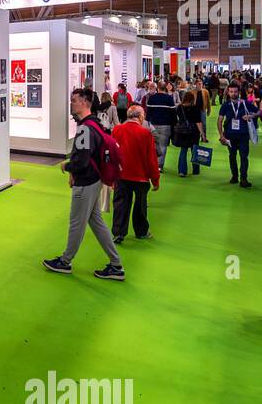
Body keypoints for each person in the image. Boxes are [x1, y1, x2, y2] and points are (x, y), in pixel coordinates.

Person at [43, 88, 124, 280]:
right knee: (96, 222)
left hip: (86, 182)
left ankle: (65, 261)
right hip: (93, 180)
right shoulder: (94, 124)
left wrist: (67, 166)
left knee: (76, 223)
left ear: (85, 103)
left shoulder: (85, 128)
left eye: (74, 100)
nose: (72, 103)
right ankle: (116, 264)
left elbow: (81, 160)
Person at [111, 105, 160, 243]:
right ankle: (141, 231)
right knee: (140, 205)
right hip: (141, 177)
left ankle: (118, 233)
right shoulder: (145, 134)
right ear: (140, 117)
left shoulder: (117, 130)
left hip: (121, 175)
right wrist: (155, 180)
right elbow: (151, 159)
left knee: (120, 205)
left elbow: (112, 154)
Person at [218, 84, 253, 188]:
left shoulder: (245, 103)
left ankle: (244, 179)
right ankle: (234, 176)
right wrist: (221, 135)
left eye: (235, 92)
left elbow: (259, 112)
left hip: (243, 135)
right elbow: (219, 120)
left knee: (244, 157)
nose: (233, 94)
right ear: (228, 93)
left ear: (239, 92)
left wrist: (251, 116)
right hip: (230, 136)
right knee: (232, 157)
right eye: (231, 92)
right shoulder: (225, 105)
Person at [144, 81, 177, 172]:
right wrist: (174, 125)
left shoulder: (152, 98)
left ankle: (152, 164)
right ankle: (159, 166)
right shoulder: (169, 99)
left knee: (152, 146)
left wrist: (147, 124)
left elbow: (148, 113)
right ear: (165, 88)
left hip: (153, 125)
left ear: (157, 88)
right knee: (163, 146)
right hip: (165, 126)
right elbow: (173, 114)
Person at [173, 91, 207, 177]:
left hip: (183, 131)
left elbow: (177, 119)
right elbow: (198, 122)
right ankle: (196, 170)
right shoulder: (195, 108)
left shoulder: (179, 107)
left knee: (183, 151)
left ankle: (182, 171)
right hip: (193, 132)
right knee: (195, 150)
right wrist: (203, 134)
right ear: (192, 99)